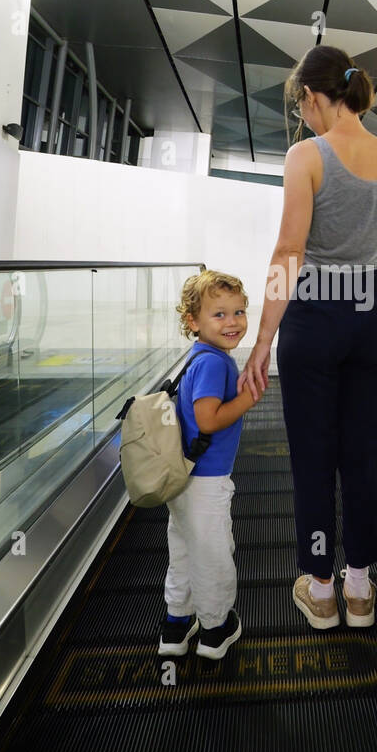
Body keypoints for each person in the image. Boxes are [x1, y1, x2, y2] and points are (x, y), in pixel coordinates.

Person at [238, 45, 377, 630]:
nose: (303, 117)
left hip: (315, 316)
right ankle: (360, 588)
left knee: (314, 455)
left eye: (301, 105)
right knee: (363, 453)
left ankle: (320, 589)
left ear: (313, 97)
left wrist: (262, 340)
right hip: (371, 319)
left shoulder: (306, 155)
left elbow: (289, 252)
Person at [158, 267, 265, 659]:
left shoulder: (198, 356)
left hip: (184, 477)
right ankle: (216, 629)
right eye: (218, 314)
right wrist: (248, 399)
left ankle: (176, 625)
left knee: (184, 548)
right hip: (207, 480)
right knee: (213, 552)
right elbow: (209, 419)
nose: (232, 322)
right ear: (193, 321)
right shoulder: (215, 363)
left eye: (238, 312)